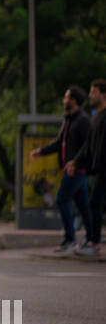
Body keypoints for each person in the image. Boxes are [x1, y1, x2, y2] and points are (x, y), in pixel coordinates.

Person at [30, 86, 92, 252]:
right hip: (69, 168)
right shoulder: (69, 120)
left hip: (76, 169)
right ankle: (92, 239)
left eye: (66, 97)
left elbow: (88, 145)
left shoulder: (83, 120)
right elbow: (59, 143)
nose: (63, 100)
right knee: (83, 206)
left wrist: (76, 162)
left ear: (73, 100)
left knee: (61, 199)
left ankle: (70, 239)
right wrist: (40, 151)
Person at [65, 78, 106, 260]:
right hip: (99, 170)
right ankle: (93, 242)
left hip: (103, 169)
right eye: (90, 92)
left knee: (94, 204)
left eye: (94, 92)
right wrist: (75, 162)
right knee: (93, 204)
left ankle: (94, 244)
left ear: (104, 95)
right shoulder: (96, 118)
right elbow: (88, 146)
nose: (90, 95)